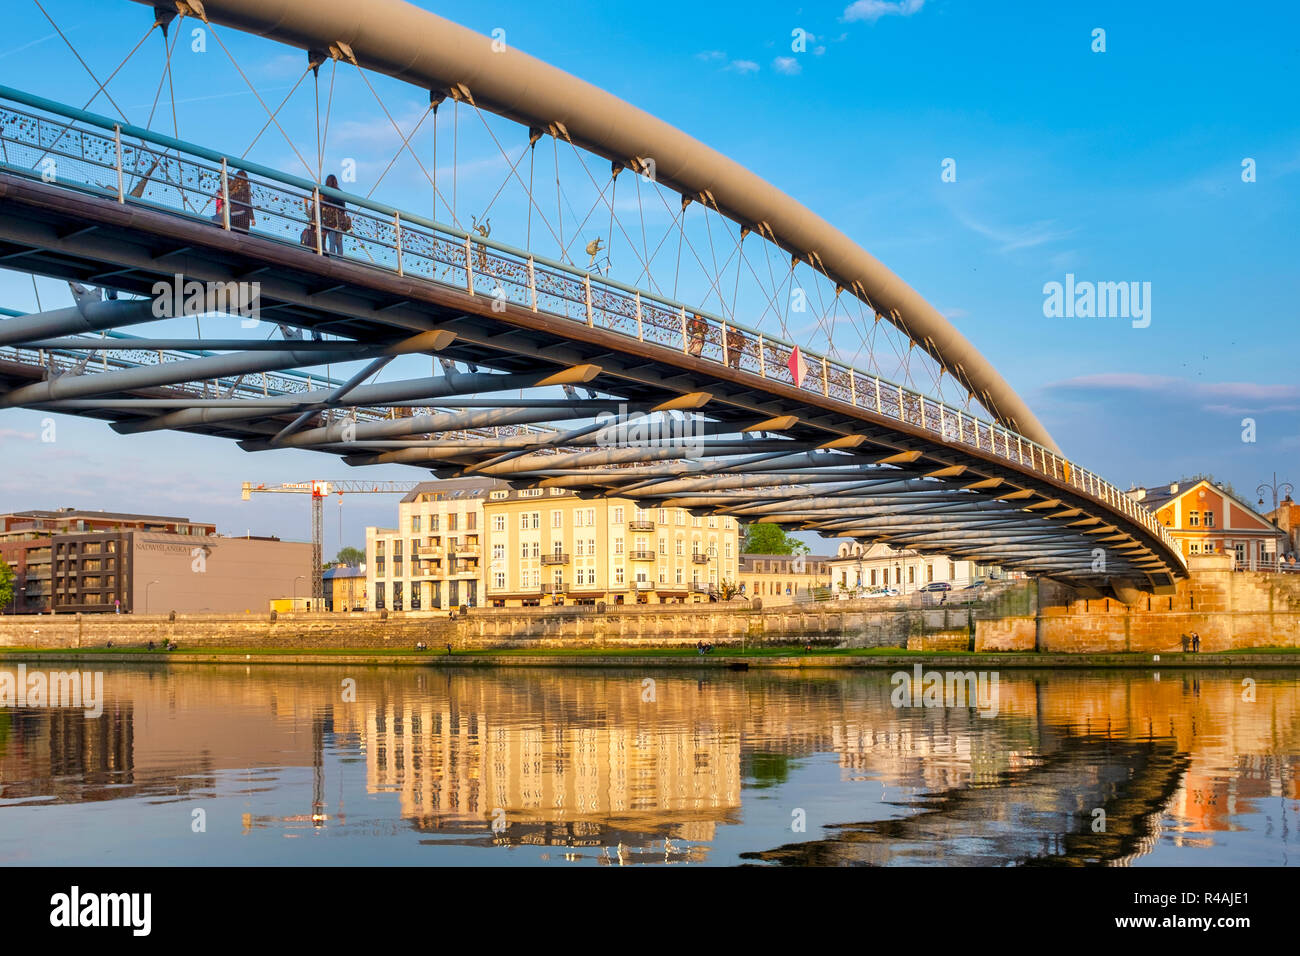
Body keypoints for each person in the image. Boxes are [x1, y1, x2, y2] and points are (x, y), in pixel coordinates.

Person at [304, 174, 351, 255]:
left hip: (330, 220)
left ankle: (332, 258)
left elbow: (323, 206)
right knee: (339, 243)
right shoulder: (340, 193)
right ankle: (340, 259)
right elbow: (343, 207)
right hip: (340, 220)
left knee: (332, 241)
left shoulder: (326, 192)